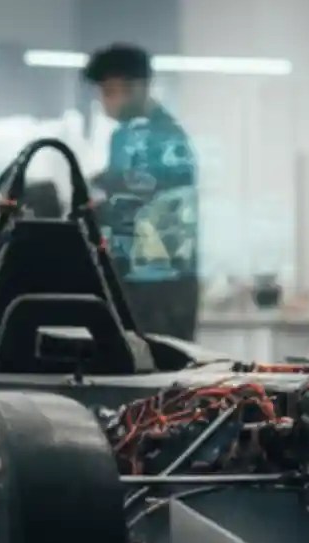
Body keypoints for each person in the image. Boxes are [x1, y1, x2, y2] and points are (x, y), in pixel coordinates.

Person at [83, 44, 201, 341]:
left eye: (109, 92)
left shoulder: (152, 138)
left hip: (157, 285)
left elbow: (136, 202)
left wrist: (97, 205)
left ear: (135, 88)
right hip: (147, 280)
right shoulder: (142, 134)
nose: (105, 102)